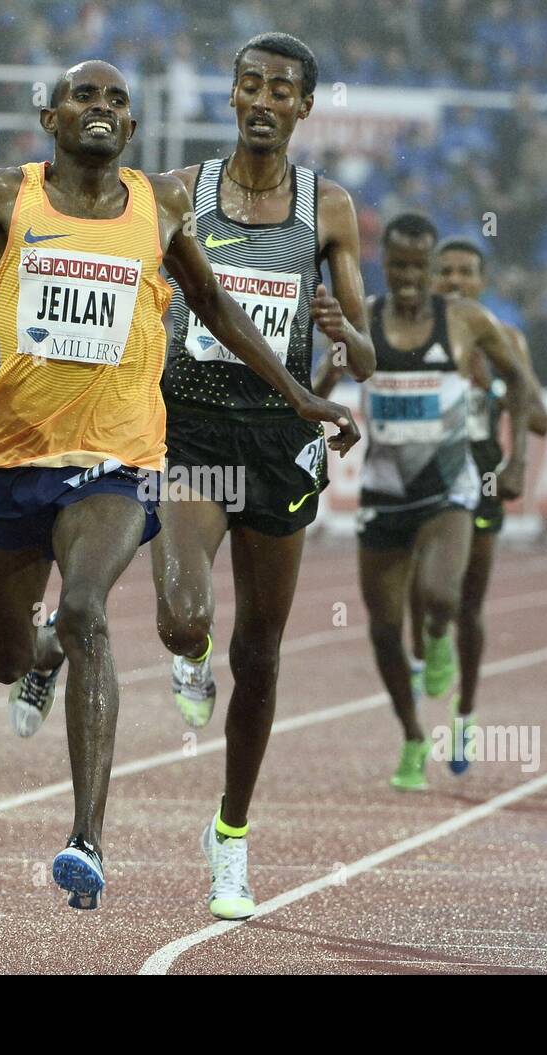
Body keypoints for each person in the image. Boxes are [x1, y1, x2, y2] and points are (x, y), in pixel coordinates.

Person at [0, 60, 358, 911]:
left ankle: (86, 837)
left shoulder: (158, 207)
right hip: (12, 457)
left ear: (132, 129)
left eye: (117, 100)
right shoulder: (2, 196)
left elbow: (218, 311)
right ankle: (40, 647)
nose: (101, 108)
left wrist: (301, 392)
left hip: (120, 458)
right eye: (83, 97)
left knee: (96, 608)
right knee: (6, 656)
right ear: (50, 117)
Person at [153, 31, 375, 921]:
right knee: (182, 615)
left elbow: (363, 350)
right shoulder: (180, 192)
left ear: (302, 108)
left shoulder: (329, 210)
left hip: (279, 443)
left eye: (280, 89)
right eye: (249, 84)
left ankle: (231, 837)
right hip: (191, 433)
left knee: (264, 653)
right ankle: (189, 655)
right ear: (231, 95)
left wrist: (341, 327)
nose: (262, 99)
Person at [316, 212, 532, 791]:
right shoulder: (365, 321)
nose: (410, 277)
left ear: (431, 269)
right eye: (400, 266)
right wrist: (307, 427)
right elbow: (325, 385)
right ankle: (414, 737)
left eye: (421, 267)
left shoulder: (466, 322)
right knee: (386, 631)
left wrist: (516, 462)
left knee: (443, 596)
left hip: (450, 487)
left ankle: (440, 641)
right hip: (385, 493)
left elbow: (523, 384)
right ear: (384, 266)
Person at [423, 236, 547, 771]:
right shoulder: (415, 332)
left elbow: (540, 416)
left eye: (465, 272)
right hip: (422, 465)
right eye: (445, 271)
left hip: (482, 471)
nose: (455, 281)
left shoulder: (505, 339)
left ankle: (465, 719)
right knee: (425, 592)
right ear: (431, 279)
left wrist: (495, 389)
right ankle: (428, 647)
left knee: (467, 604)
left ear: (482, 282)